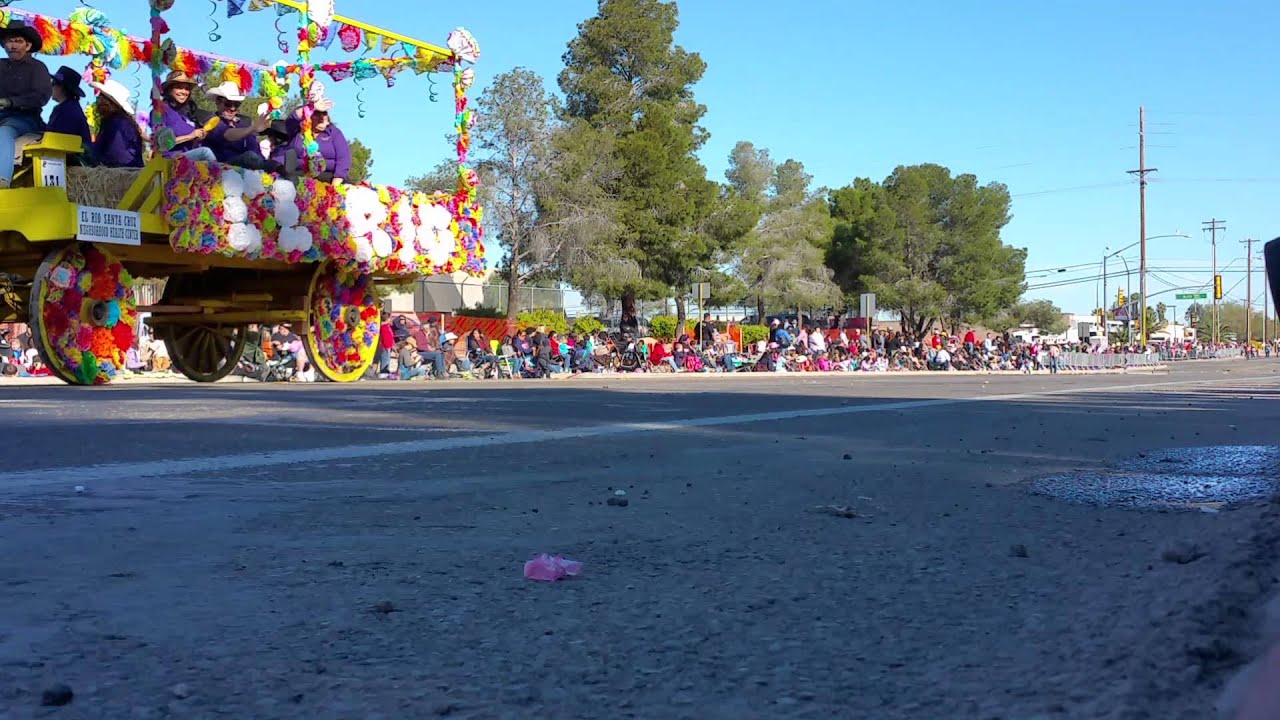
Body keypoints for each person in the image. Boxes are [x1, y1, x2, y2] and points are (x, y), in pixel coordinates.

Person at [0, 20, 52, 188]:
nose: (13, 45)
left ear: (28, 46)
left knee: (5, 133)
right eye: (9, 41)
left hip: (24, 119)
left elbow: (41, 97)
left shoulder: (37, 68)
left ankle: (2, 180)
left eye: (18, 41)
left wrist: (11, 102)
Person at [203, 82, 285, 174]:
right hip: (220, 167)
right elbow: (227, 134)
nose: (233, 109)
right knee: (250, 157)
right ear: (218, 102)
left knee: (275, 165)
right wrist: (252, 128)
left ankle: (280, 172)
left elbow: (255, 151)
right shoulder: (212, 120)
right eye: (228, 104)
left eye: (236, 105)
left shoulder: (242, 125)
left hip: (243, 170)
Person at [151, 70, 217, 163]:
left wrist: (197, 138)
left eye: (186, 89)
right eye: (179, 87)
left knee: (242, 173)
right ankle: (218, 175)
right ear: (169, 90)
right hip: (168, 162)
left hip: (189, 163)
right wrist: (190, 136)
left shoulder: (185, 114)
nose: (184, 92)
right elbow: (161, 143)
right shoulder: (159, 111)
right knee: (205, 152)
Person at [286, 101, 350, 182]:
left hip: (329, 178)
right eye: (317, 113)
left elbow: (343, 159)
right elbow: (292, 118)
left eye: (324, 114)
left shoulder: (334, 133)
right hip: (298, 177)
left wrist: (335, 186)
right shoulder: (297, 130)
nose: (321, 117)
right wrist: (311, 107)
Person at [88, 78, 143, 168]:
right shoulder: (111, 122)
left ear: (112, 104)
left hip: (123, 177)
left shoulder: (117, 124)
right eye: (99, 97)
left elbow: (117, 156)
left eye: (103, 98)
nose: (98, 101)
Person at [45, 66, 91, 160]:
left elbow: (59, 140)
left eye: (53, 83)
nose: (50, 86)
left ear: (62, 87)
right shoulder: (69, 107)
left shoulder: (68, 111)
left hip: (73, 161)